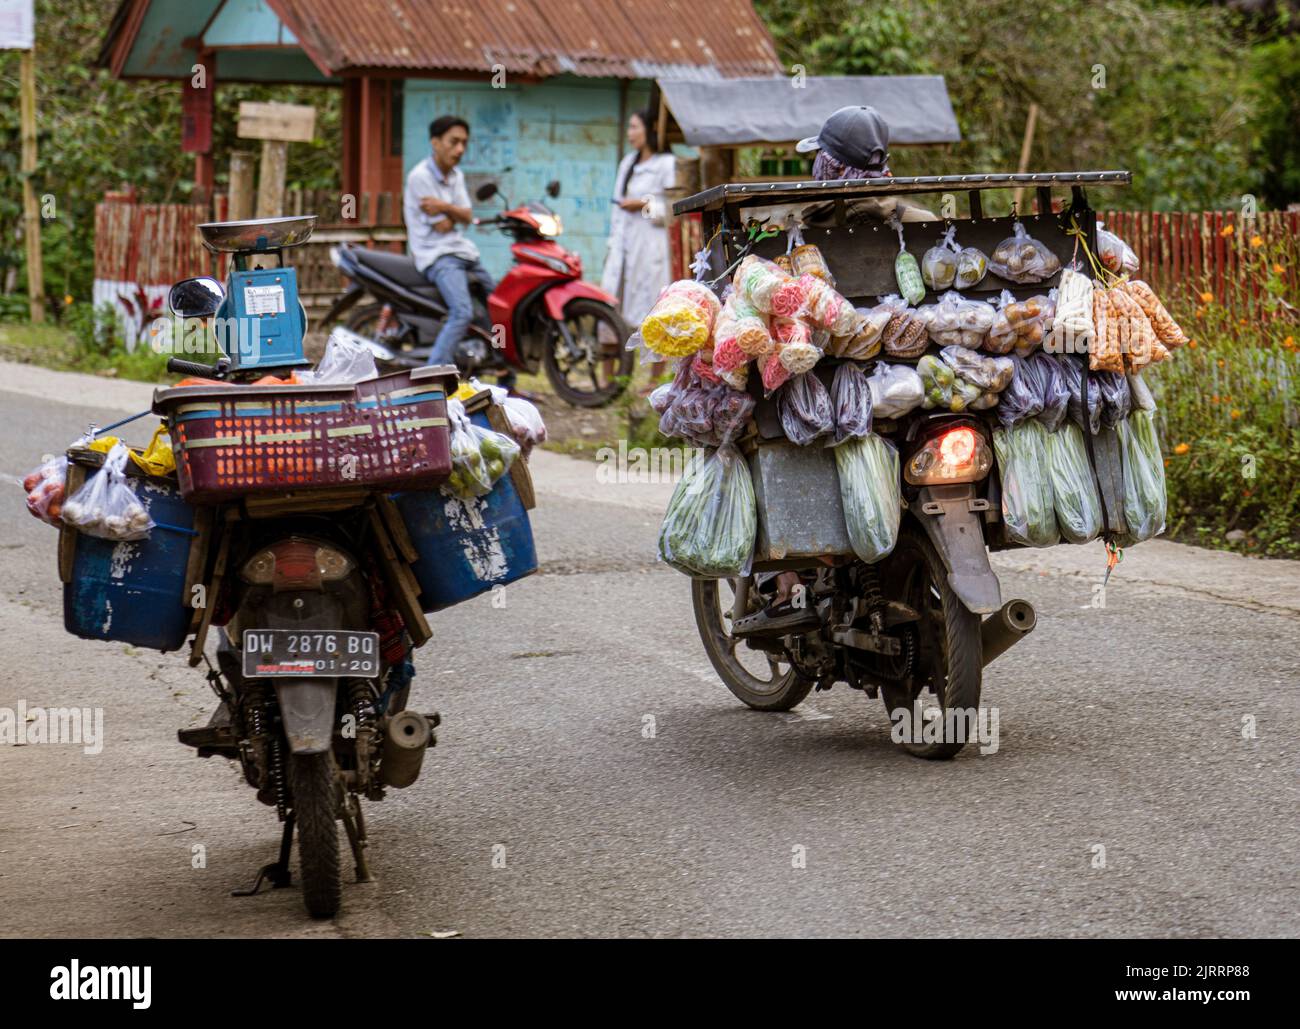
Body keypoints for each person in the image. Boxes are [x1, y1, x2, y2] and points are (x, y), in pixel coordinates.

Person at [403, 115, 515, 391]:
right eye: (454, 142)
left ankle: (505, 372)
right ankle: (430, 380)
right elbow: (442, 226)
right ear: (435, 143)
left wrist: (444, 206)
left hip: (463, 252)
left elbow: (466, 215)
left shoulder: (456, 175)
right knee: (462, 311)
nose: (460, 149)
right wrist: (454, 213)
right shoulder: (420, 177)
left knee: (499, 303)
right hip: (436, 255)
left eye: (464, 143)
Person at [600, 110, 676, 393]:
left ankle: (653, 382)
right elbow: (616, 205)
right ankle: (609, 381)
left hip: (650, 249)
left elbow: (670, 210)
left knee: (653, 312)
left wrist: (641, 204)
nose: (630, 133)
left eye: (634, 127)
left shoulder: (666, 163)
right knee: (610, 309)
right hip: (623, 246)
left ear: (649, 130)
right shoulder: (627, 163)